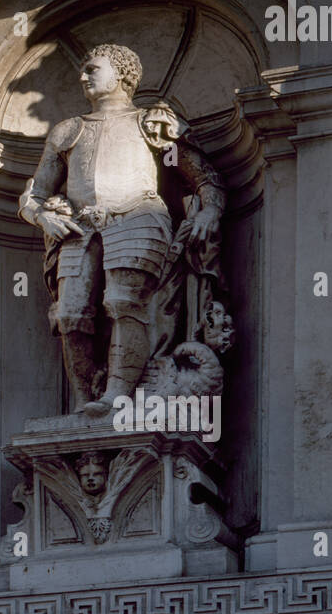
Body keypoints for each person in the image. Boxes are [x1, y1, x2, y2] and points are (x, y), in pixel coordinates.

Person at [19, 44, 224, 415]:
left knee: (123, 303)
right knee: (69, 315)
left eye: (92, 69)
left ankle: (117, 396)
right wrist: (42, 216)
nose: (83, 77)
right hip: (78, 226)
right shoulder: (68, 130)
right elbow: (33, 195)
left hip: (138, 217)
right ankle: (83, 402)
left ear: (123, 74)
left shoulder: (152, 122)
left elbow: (203, 177)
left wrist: (210, 210)